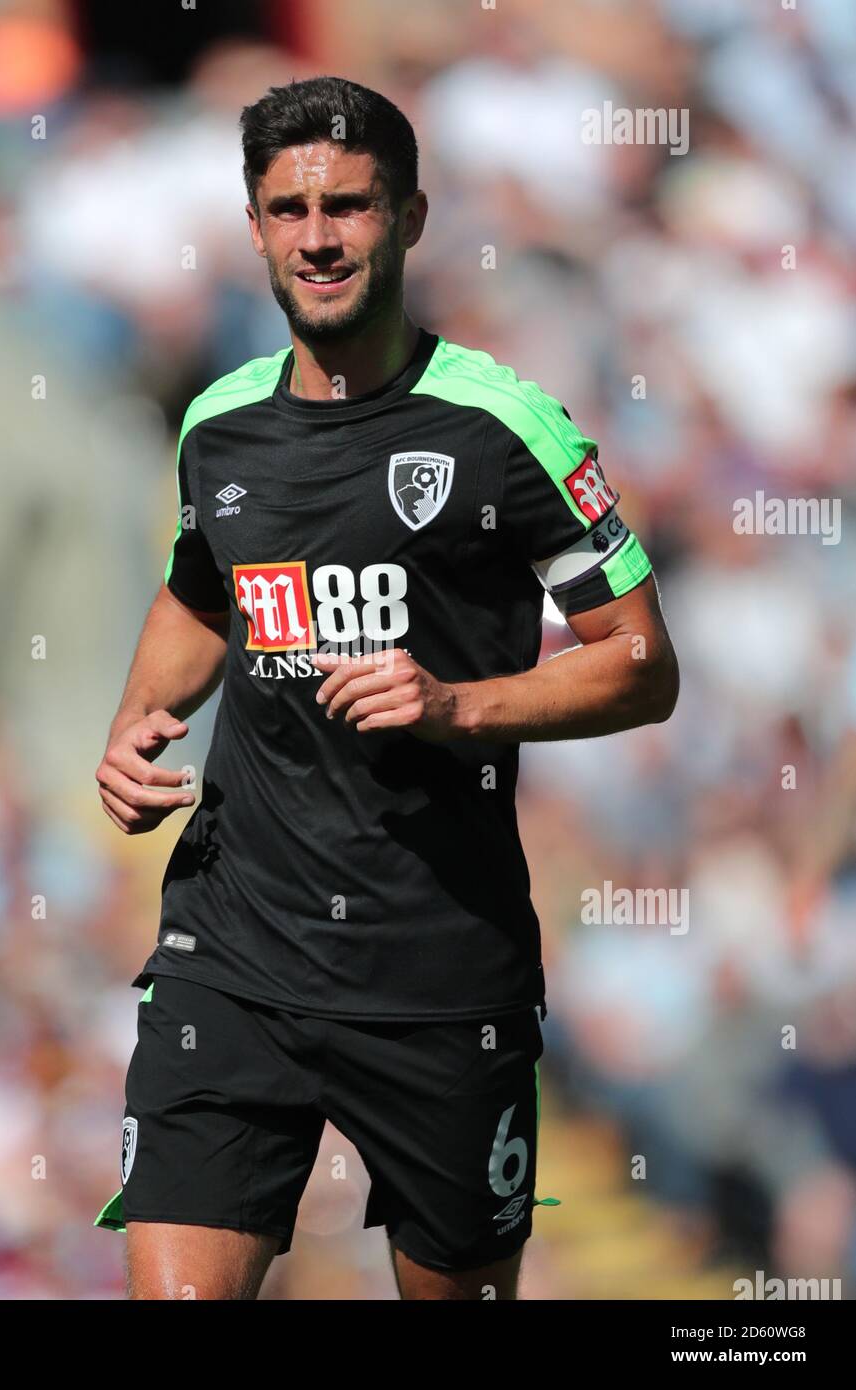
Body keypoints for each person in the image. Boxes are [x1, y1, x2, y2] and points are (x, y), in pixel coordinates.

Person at [93, 75, 679, 1300]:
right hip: (232, 948)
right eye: (290, 209)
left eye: (351, 206)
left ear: (409, 217)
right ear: (254, 226)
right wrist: (137, 725)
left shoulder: (507, 426)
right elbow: (203, 590)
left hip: (437, 976)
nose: (319, 237)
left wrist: (457, 703)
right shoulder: (219, 427)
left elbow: (641, 664)